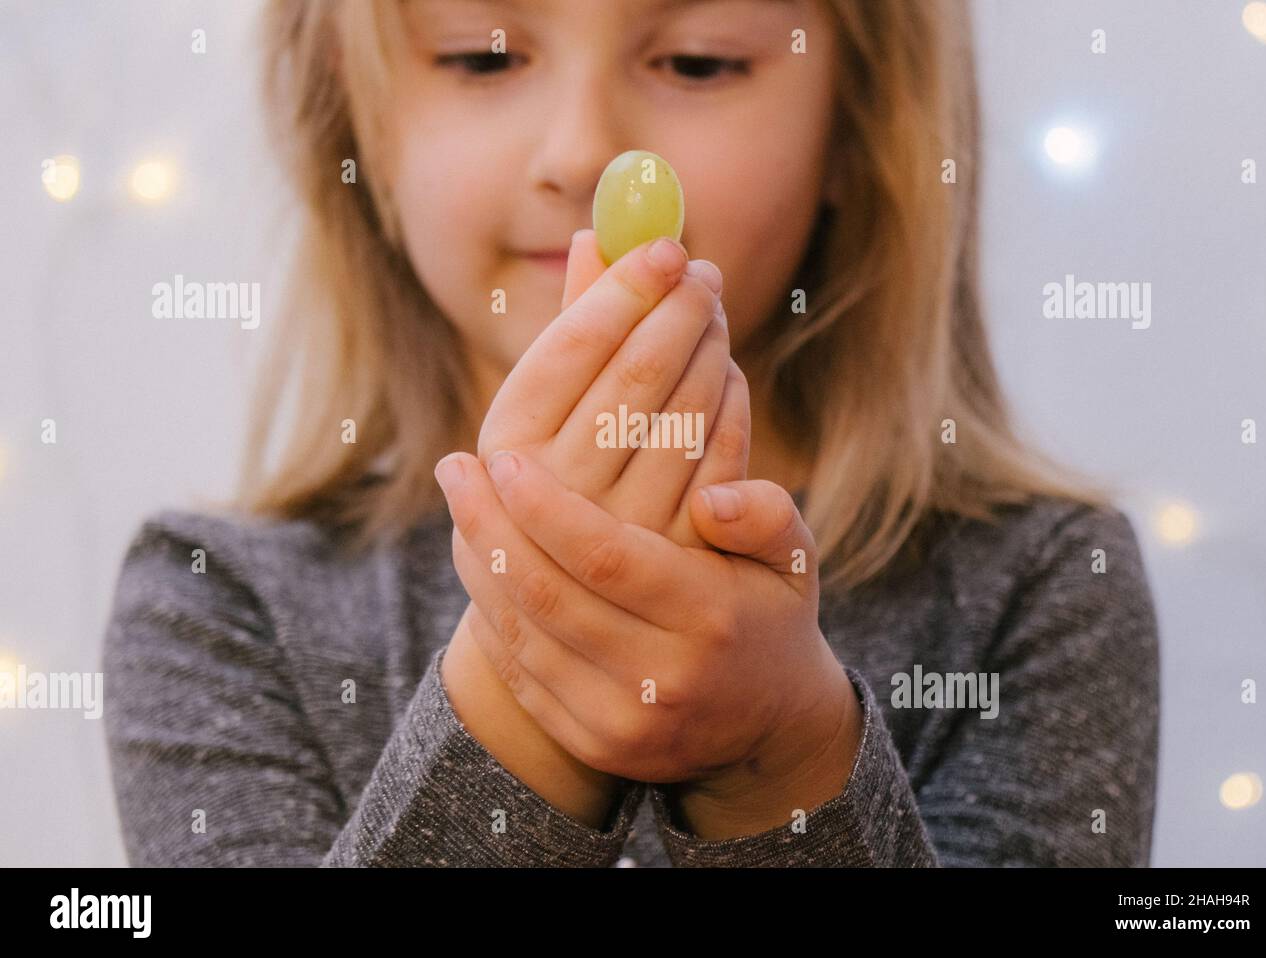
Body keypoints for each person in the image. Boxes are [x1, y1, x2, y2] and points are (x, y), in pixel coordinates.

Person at [101, 0, 1160, 867]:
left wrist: (780, 757)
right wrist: (527, 689)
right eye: (483, 56)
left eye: (698, 62)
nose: (584, 154)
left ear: (857, 122)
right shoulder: (215, 600)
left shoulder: (1041, 581)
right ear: (357, 125)